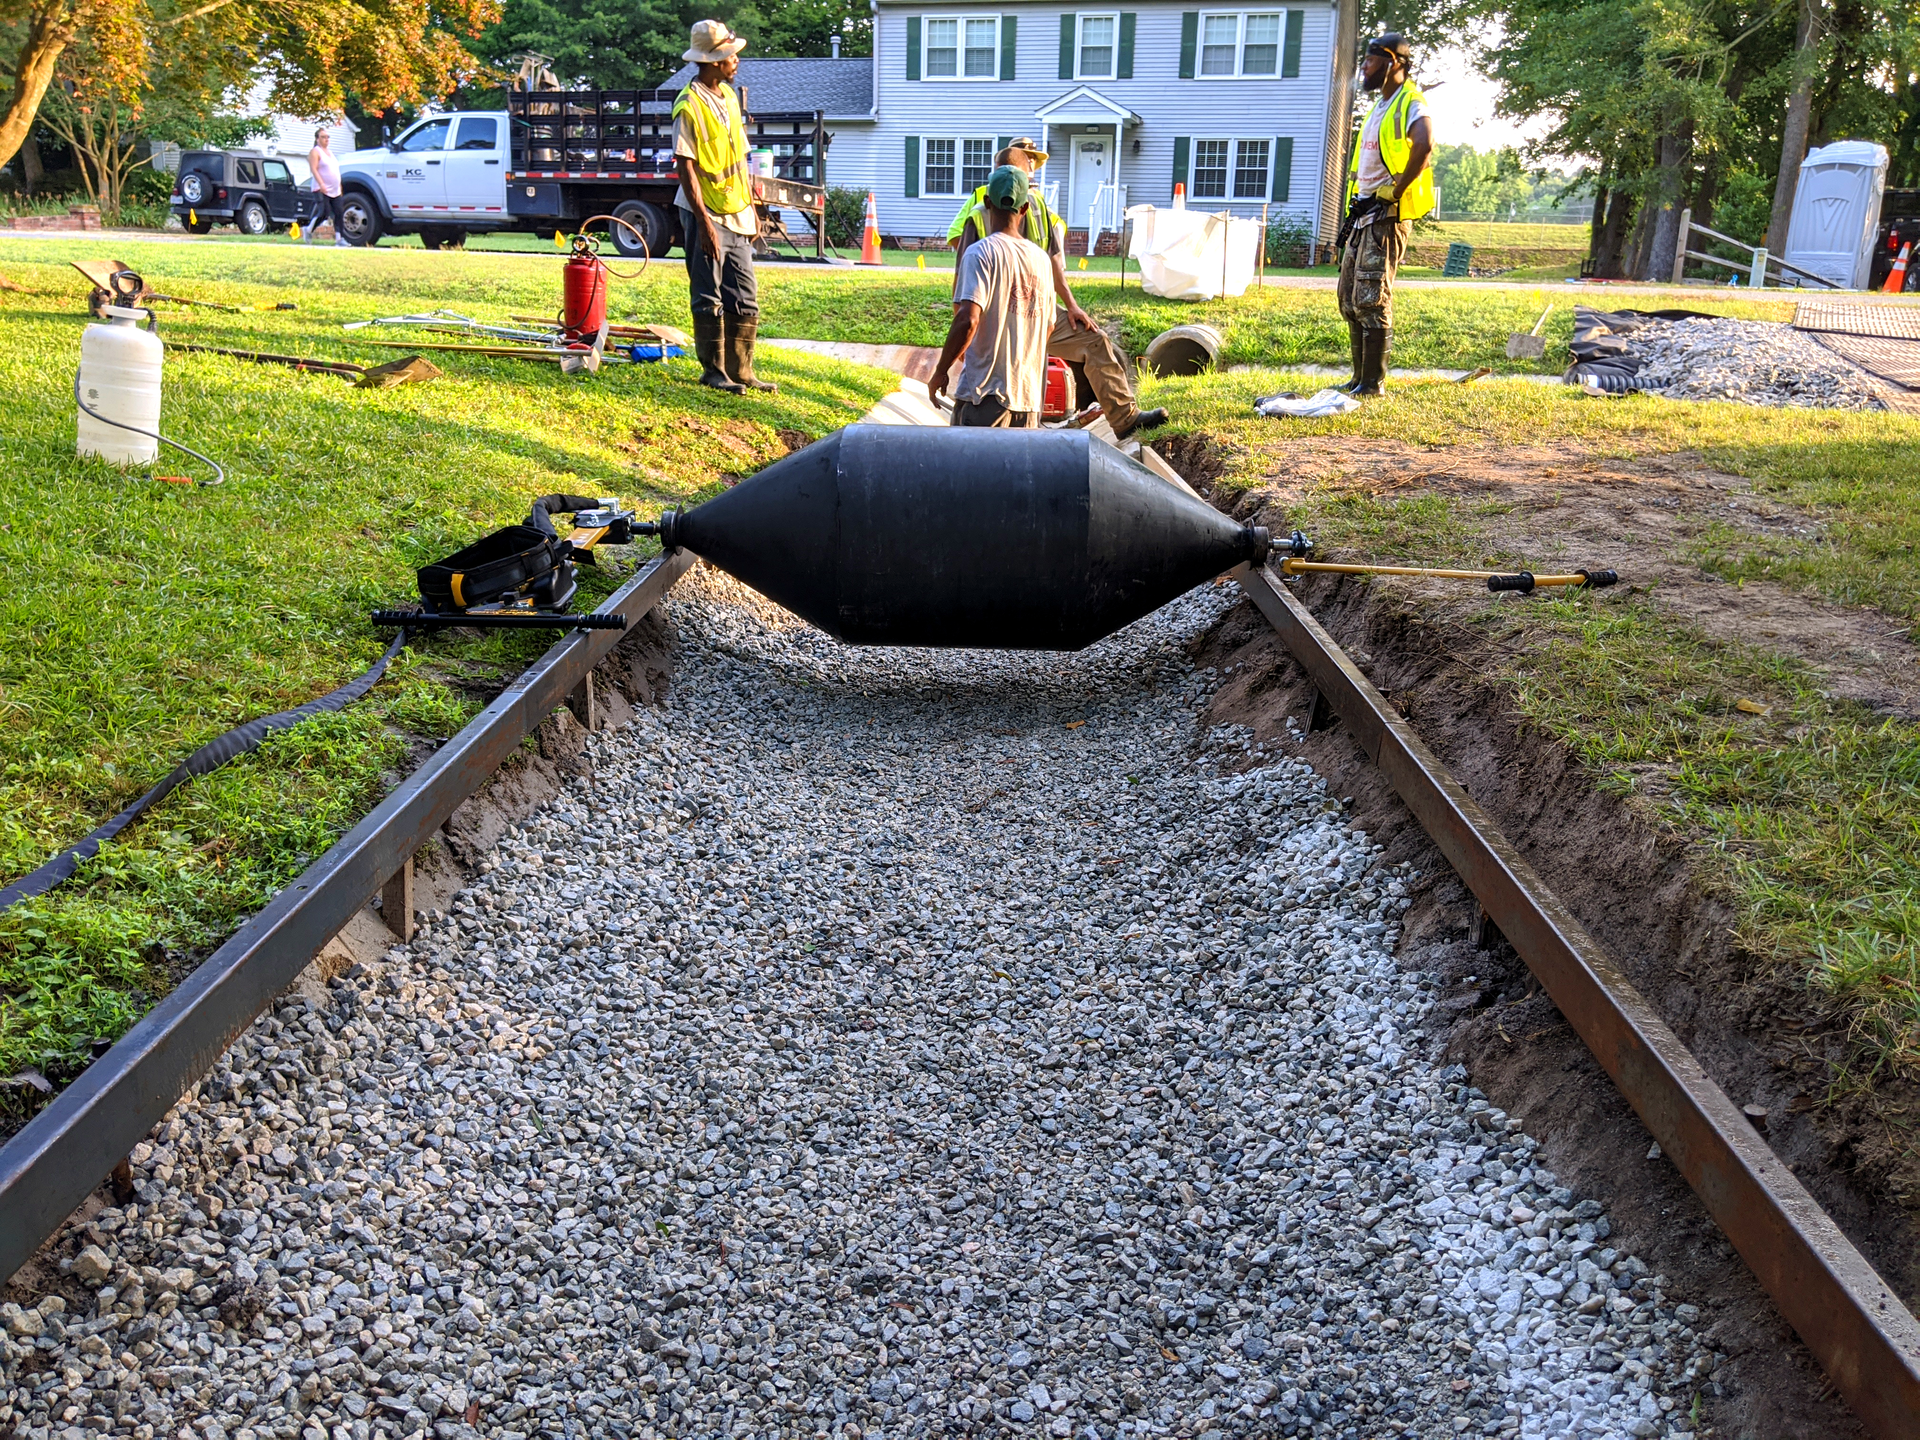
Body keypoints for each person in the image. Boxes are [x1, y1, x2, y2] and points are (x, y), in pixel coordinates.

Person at [947, 139, 1167, 438]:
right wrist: (964, 334)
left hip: (1037, 311)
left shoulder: (1039, 207)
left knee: (1093, 340)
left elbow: (1053, 263)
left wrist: (1072, 306)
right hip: (994, 313)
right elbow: (963, 279)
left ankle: (1125, 417)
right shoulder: (978, 211)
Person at [672, 19, 774, 395]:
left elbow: (740, 159)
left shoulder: (730, 97)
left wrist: (753, 209)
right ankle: (714, 372)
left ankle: (741, 370)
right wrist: (704, 223)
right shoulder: (688, 104)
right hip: (705, 212)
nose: (737, 61)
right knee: (708, 295)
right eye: (732, 56)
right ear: (715, 61)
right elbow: (685, 166)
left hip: (736, 210)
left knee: (744, 294)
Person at [1337, 33, 1434, 396]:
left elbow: (1424, 143)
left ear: (1393, 63)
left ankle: (1372, 383)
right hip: (1363, 214)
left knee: (1372, 298)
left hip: (1387, 216)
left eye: (1371, 60)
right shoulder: (1379, 106)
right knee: (1350, 299)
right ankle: (1357, 379)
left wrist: (1398, 188)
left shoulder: (1411, 101)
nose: (1364, 66)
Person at [930, 166, 1051, 428]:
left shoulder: (980, 253)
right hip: (1027, 401)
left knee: (969, 457)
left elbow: (968, 319)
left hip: (984, 397)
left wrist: (940, 371)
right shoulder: (1042, 260)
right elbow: (1048, 326)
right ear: (1024, 208)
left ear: (987, 202)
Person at [305, 128, 347, 247]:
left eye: (328, 137)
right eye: (323, 137)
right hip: (321, 188)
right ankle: (308, 230)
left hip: (335, 189)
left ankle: (339, 239)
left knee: (339, 212)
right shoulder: (315, 152)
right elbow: (313, 169)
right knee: (324, 212)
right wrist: (321, 184)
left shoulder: (330, 153)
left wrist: (339, 185)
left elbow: (335, 170)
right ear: (317, 139)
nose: (326, 139)